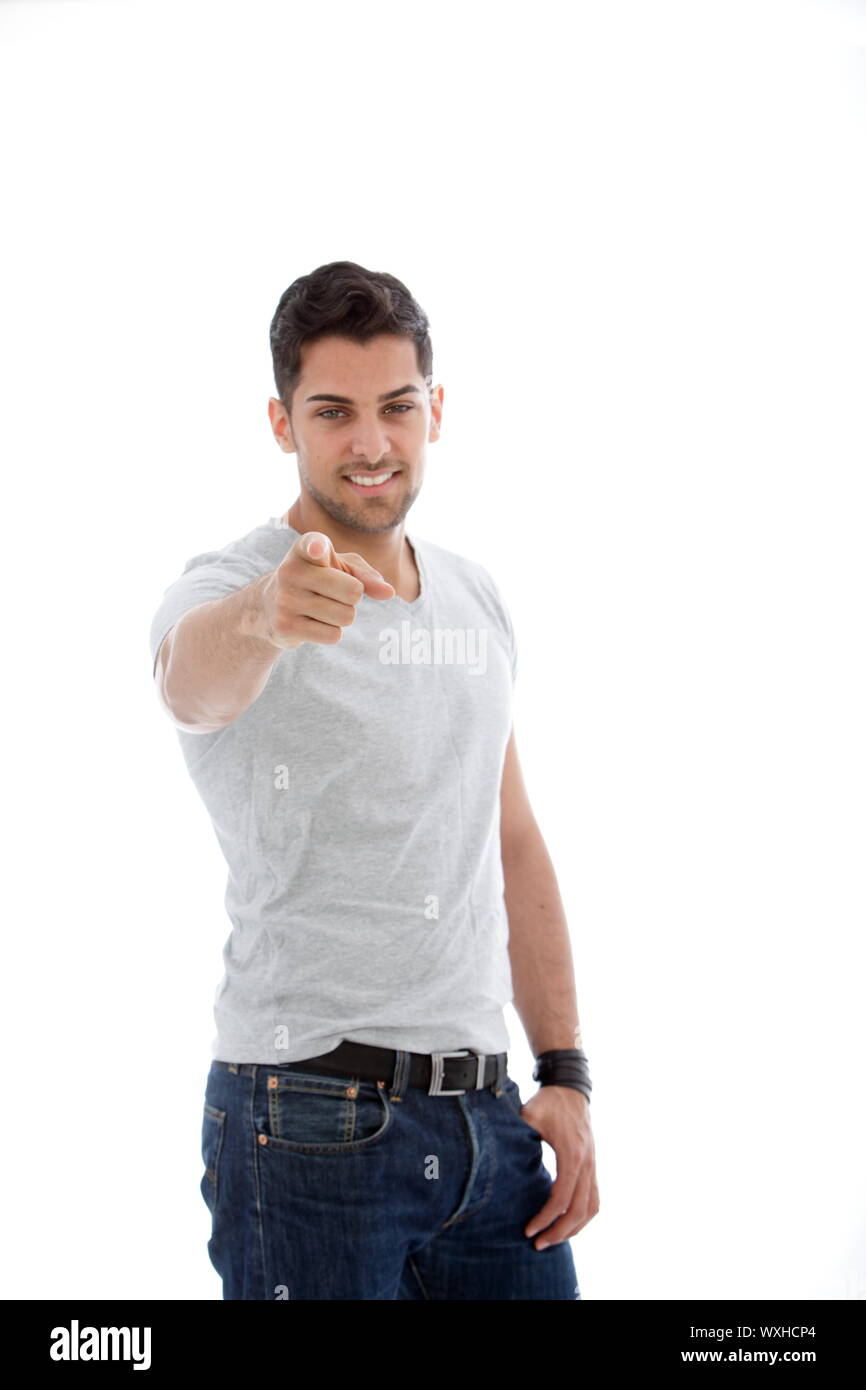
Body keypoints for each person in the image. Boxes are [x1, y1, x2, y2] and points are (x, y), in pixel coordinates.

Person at [149, 260, 599, 1300]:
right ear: (280, 421)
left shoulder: (475, 601)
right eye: (332, 411)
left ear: (434, 410)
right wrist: (268, 612)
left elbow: (511, 837)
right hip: (304, 1119)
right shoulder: (232, 585)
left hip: (486, 1122)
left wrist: (564, 1074)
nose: (369, 442)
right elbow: (187, 682)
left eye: (396, 407)